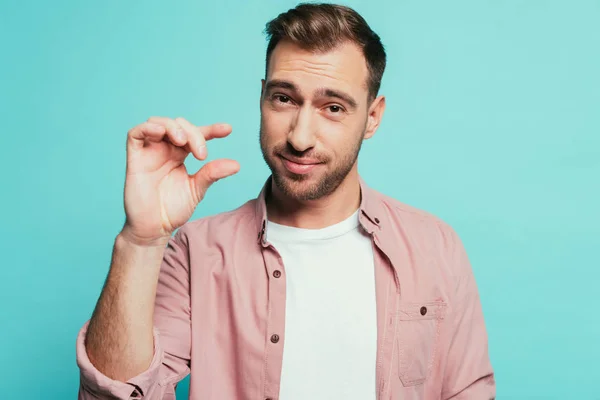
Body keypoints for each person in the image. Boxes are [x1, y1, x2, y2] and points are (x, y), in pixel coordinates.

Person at [76, 3, 495, 399]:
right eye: (284, 98)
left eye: (333, 107)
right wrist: (141, 240)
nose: (299, 137)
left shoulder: (435, 247)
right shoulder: (196, 252)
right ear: (262, 96)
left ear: (372, 117)